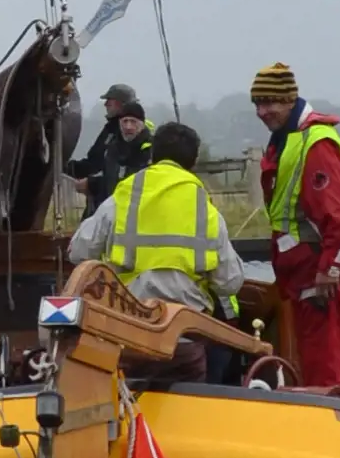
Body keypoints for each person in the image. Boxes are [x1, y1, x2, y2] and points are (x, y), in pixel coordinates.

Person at [66, 118, 255, 318]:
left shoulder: (123, 196)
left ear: (153, 155)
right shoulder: (206, 210)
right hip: (189, 322)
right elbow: (230, 282)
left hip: (129, 318)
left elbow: (78, 252)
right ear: (193, 162)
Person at [250, 60, 340, 391]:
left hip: (321, 277)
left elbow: (337, 217)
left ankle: (335, 413)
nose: (262, 112)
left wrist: (329, 270)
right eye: (257, 104)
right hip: (301, 275)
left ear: (289, 100)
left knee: (328, 367)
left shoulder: (315, 143)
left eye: (269, 103)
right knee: (311, 362)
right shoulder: (286, 140)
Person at [70, 81, 154, 209]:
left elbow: (123, 178)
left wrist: (91, 184)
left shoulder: (147, 147)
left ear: (120, 104)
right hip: (106, 205)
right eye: (125, 121)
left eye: (109, 101)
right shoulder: (113, 138)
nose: (105, 104)